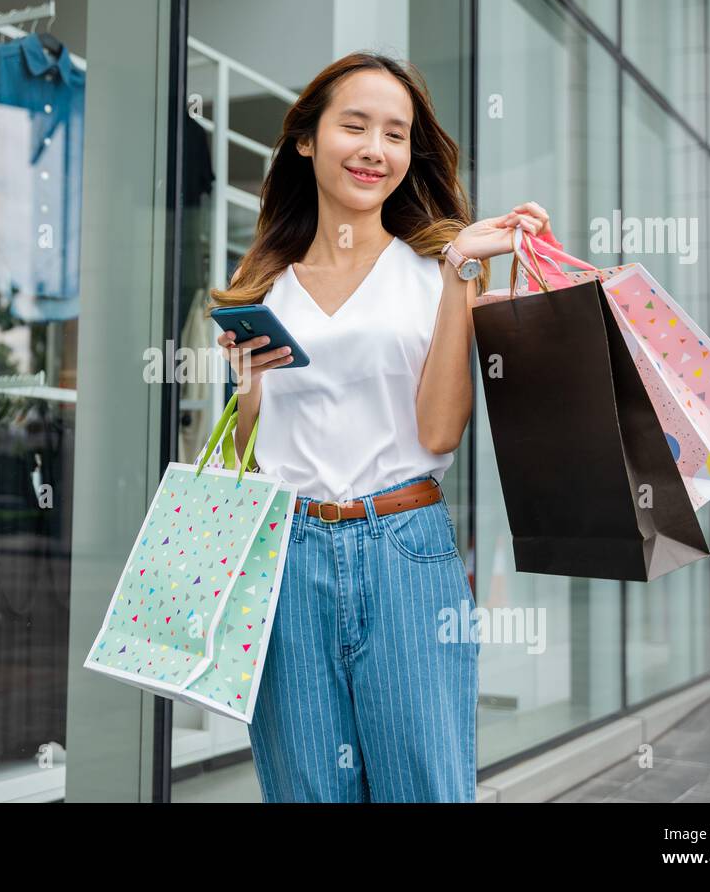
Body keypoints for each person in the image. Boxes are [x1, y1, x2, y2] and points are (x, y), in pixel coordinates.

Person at [208, 51, 562, 802]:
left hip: (404, 551)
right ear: (306, 140)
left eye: (395, 134)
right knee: (305, 787)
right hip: (285, 551)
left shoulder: (437, 270)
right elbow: (245, 455)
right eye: (355, 126)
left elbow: (439, 433)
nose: (375, 149)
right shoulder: (261, 282)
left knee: (423, 786)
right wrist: (252, 387)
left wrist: (465, 270)